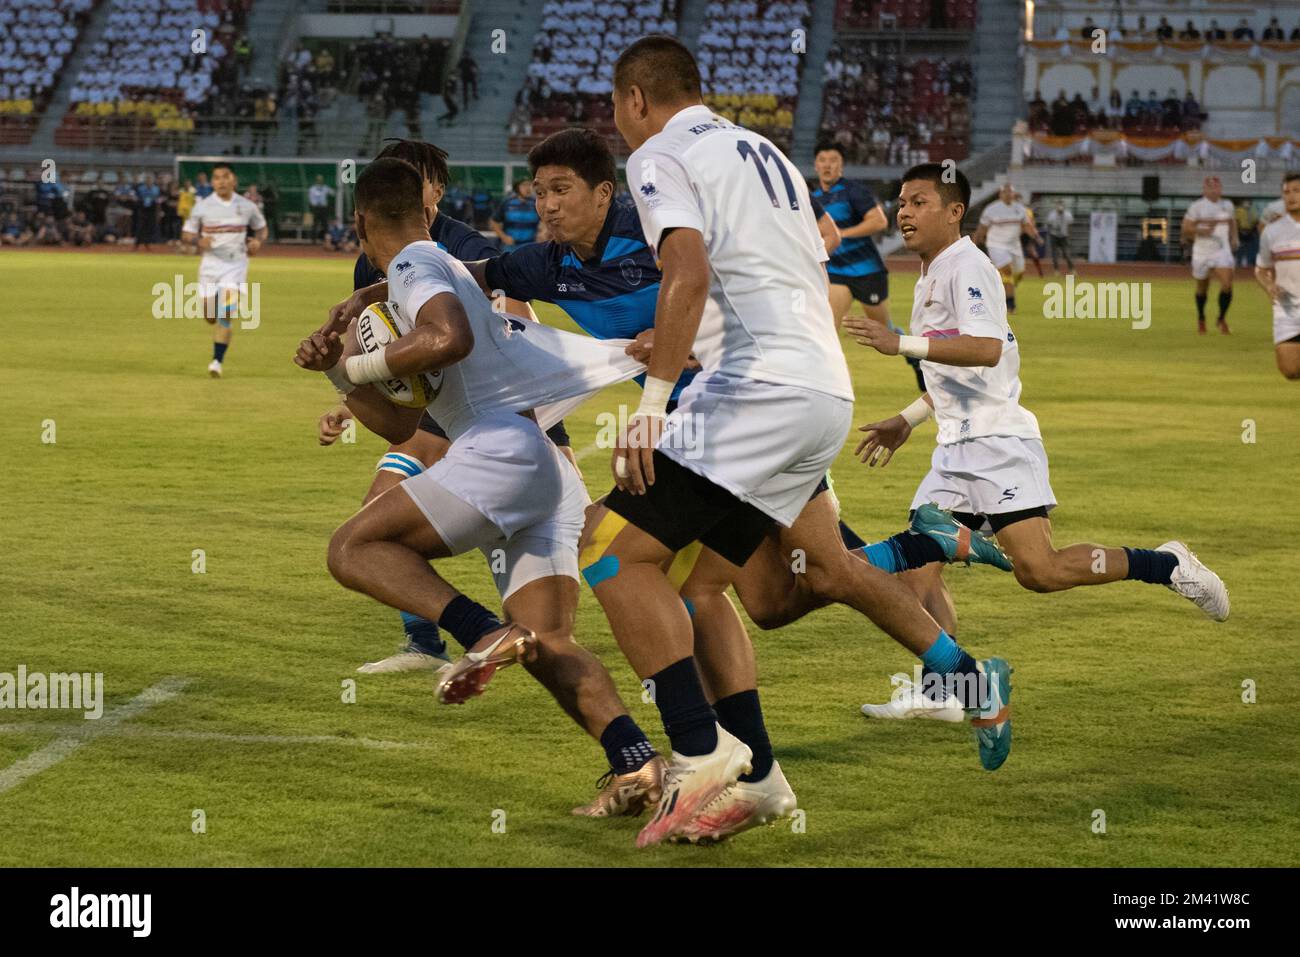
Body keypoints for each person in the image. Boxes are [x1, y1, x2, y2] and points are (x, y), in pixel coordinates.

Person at [584, 36, 1005, 846]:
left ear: (635, 100)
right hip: (820, 388)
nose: (619, 121)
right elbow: (788, 265)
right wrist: (696, 348)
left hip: (756, 391)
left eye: (615, 107)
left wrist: (654, 404)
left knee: (607, 547)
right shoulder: (764, 149)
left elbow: (691, 271)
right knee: (744, 588)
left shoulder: (658, 155)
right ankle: (768, 778)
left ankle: (700, 751)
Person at [295, 155, 667, 817]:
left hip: (501, 451)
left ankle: (479, 631)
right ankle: (636, 761)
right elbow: (404, 423)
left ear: (357, 222)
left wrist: (359, 357)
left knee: (351, 549)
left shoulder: (412, 266)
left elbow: (451, 337)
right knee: (548, 640)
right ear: (428, 209)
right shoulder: (429, 267)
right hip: (537, 466)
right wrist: (340, 377)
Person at [849, 164, 1230, 723]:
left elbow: (984, 350)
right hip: (958, 447)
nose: (904, 211)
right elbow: (970, 369)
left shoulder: (967, 268)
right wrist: (907, 418)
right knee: (917, 569)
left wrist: (899, 343)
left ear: (955, 212)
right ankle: (942, 693)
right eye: (901, 201)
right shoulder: (937, 271)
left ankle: (1166, 564)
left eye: (919, 201)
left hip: (999, 444)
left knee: (1040, 571)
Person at [320, 139, 556, 676]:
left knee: (567, 545)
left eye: (416, 176)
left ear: (435, 189)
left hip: (495, 408)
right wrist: (347, 395)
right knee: (380, 513)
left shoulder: (453, 245)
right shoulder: (375, 260)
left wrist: (353, 373)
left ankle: (494, 630)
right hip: (444, 407)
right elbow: (390, 347)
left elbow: (498, 321)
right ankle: (437, 640)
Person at [181, 162, 267, 377]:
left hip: (235, 266)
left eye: (225, 176)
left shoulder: (247, 206)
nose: (221, 181)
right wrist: (198, 241)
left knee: (226, 313)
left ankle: (216, 363)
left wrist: (258, 242)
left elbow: (262, 228)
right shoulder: (202, 206)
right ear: (212, 182)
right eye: (217, 178)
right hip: (210, 267)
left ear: (233, 180)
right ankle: (214, 326)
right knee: (210, 316)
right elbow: (186, 234)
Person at [1254, 172, 1300, 380]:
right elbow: (1261, 268)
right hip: (1287, 308)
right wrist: (1269, 286)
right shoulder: (1272, 232)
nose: (1291, 197)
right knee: (1289, 370)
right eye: (1286, 192)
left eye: (1297, 191)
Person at [1181, 176, 1239, 334]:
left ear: (1221, 188)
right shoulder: (1196, 207)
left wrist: (1234, 238)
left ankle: (1221, 319)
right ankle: (1201, 318)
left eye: (1217, 186)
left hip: (1222, 250)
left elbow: (1232, 222)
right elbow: (1186, 228)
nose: (1214, 190)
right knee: (1202, 288)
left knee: (1227, 284)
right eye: (1210, 187)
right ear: (1204, 189)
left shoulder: (1228, 205)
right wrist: (1200, 230)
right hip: (1202, 251)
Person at [973, 183, 1039, 313]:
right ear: (1000, 194)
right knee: (1007, 271)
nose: (1008, 194)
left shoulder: (1020, 209)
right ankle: (1010, 305)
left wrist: (1035, 236)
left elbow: (1026, 225)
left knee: (1019, 272)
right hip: (996, 245)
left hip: (1015, 246)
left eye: (1010, 192)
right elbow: (982, 228)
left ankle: (1000, 289)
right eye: (1005, 192)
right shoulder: (991, 209)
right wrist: (975, 242)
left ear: (1013, 194)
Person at [490, 179, 540, 247]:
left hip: (530, 246)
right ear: (517, 188)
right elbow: (493, 222)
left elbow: (544, 221)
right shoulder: (508, 202)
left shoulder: (536, 203)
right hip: (510, 247)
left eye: (529, 185)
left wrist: (543, 232)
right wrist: (504, 237)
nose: (528, 188)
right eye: (524, 185)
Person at [1044, 199, 1074, 273]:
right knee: (1054, 254)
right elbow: (1049, 225)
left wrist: (1069, 235)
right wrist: (1050, 233)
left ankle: (1071, 269)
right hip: (1054, 235)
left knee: (1066, 253)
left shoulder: (1068, 214)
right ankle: (1056, 270)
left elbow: (1070, 225)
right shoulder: (1052, 215)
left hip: (1064, 236)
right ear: (1056, 206)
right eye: (1058, 205)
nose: (1059, 207)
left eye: (1061, 205)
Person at [308, 174, 334, 241]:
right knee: (315, 224)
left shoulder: (325, 188)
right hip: (316, 208)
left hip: (323, 208)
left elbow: (333, 193)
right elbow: (311, 199)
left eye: (321, 180)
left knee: (325, 224)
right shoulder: (312, 189)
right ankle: (313, 239)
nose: (320, 181)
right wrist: (315, 205)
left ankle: (326, 239)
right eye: (319, 180)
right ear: (316, 180)